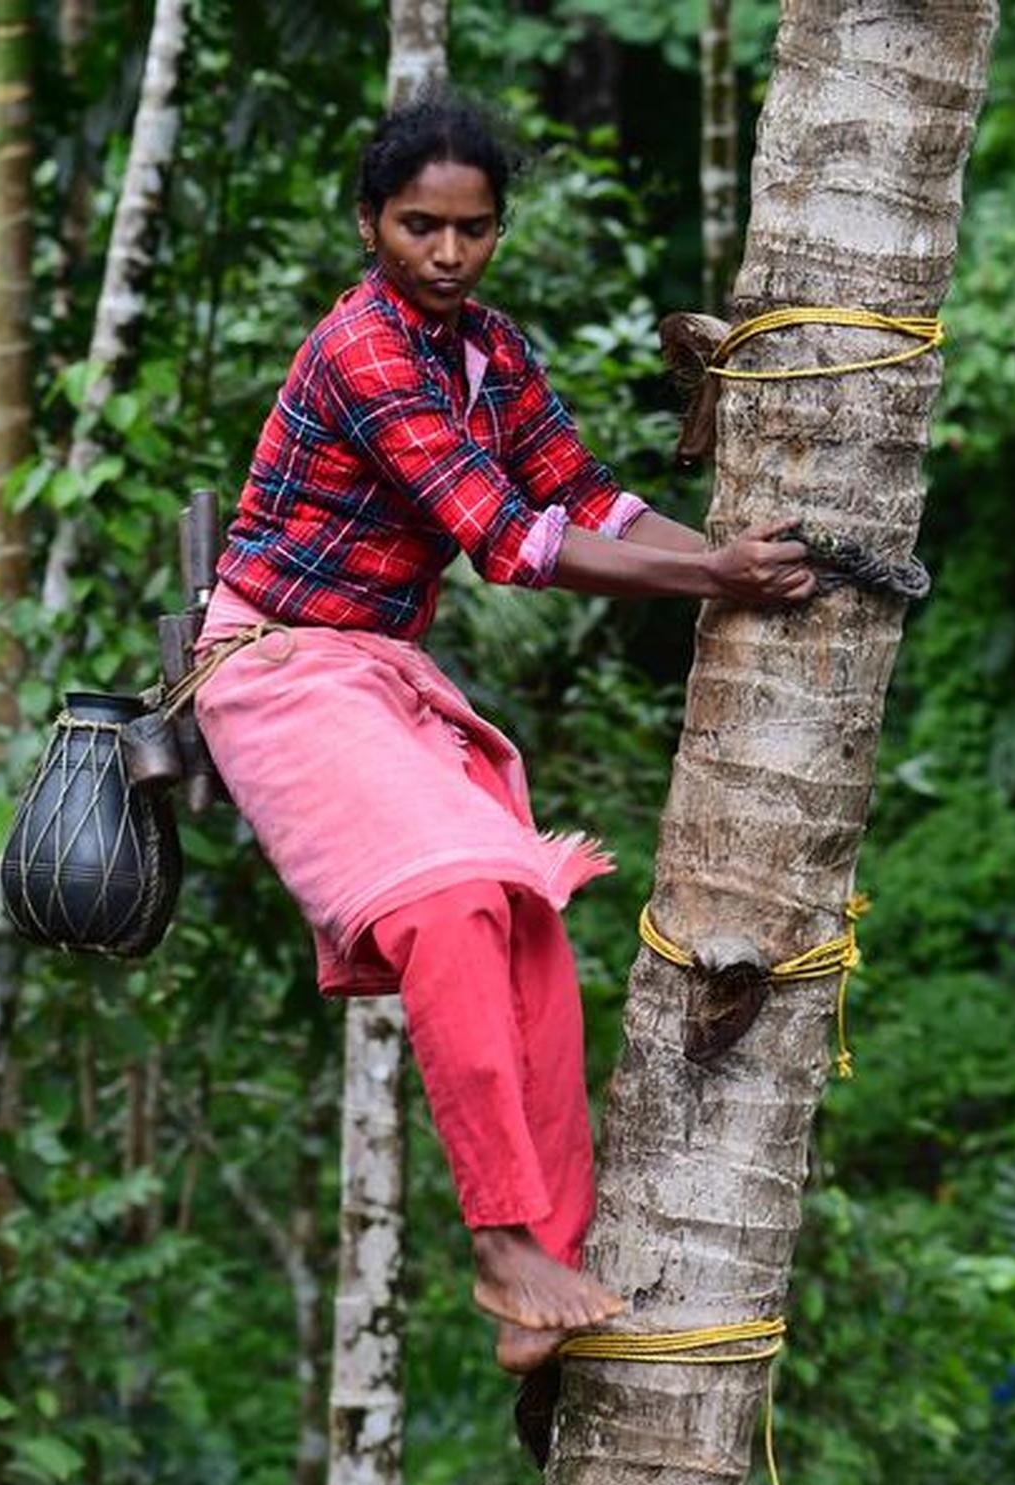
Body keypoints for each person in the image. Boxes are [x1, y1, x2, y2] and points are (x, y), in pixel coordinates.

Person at [194, 91, 814, 1380]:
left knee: (527, 910)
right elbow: (510, 540)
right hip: (278, 666)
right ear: (371, 223)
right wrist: (720, 582)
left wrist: (730, 556)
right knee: (450, 899)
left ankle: (546, 1270)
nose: (447, 254)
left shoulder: (490, 349)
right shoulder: (365, 351)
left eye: (471, 231)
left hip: (382, 671)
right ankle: (500, 1239)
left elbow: (585, 495)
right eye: (419, 226)